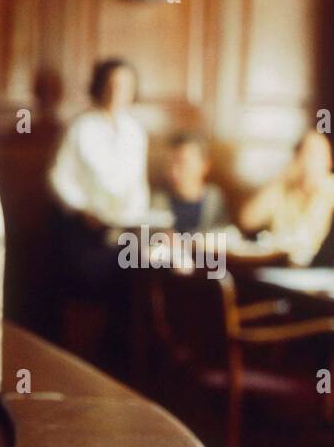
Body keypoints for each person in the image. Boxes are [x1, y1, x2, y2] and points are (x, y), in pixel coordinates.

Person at [49, 59, 150, 297]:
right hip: (84, 227)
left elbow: (138, 185)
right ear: (100, 86)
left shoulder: (135, 132)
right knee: (95, 275)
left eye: (125, 86)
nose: (117, 91)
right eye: (112, 84)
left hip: (123, 227)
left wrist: (136, 218)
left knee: (141, 273)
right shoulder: (81, 127)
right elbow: (59, 177)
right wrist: (84, 210)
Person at [240, 131, 334, 268]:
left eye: (317, 155)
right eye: (305, 153)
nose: (309, 161)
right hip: (281, 269)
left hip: (321, 270)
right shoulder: (282, 190)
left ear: (329, 161)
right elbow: (247, 221)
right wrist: (282, 178)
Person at [152, 132, 229, 234]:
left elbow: (224, 234)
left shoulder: (213, 199)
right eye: (169, 164)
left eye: (182, 163)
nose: (173, 171)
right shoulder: (159, 199)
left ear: (204, 166)